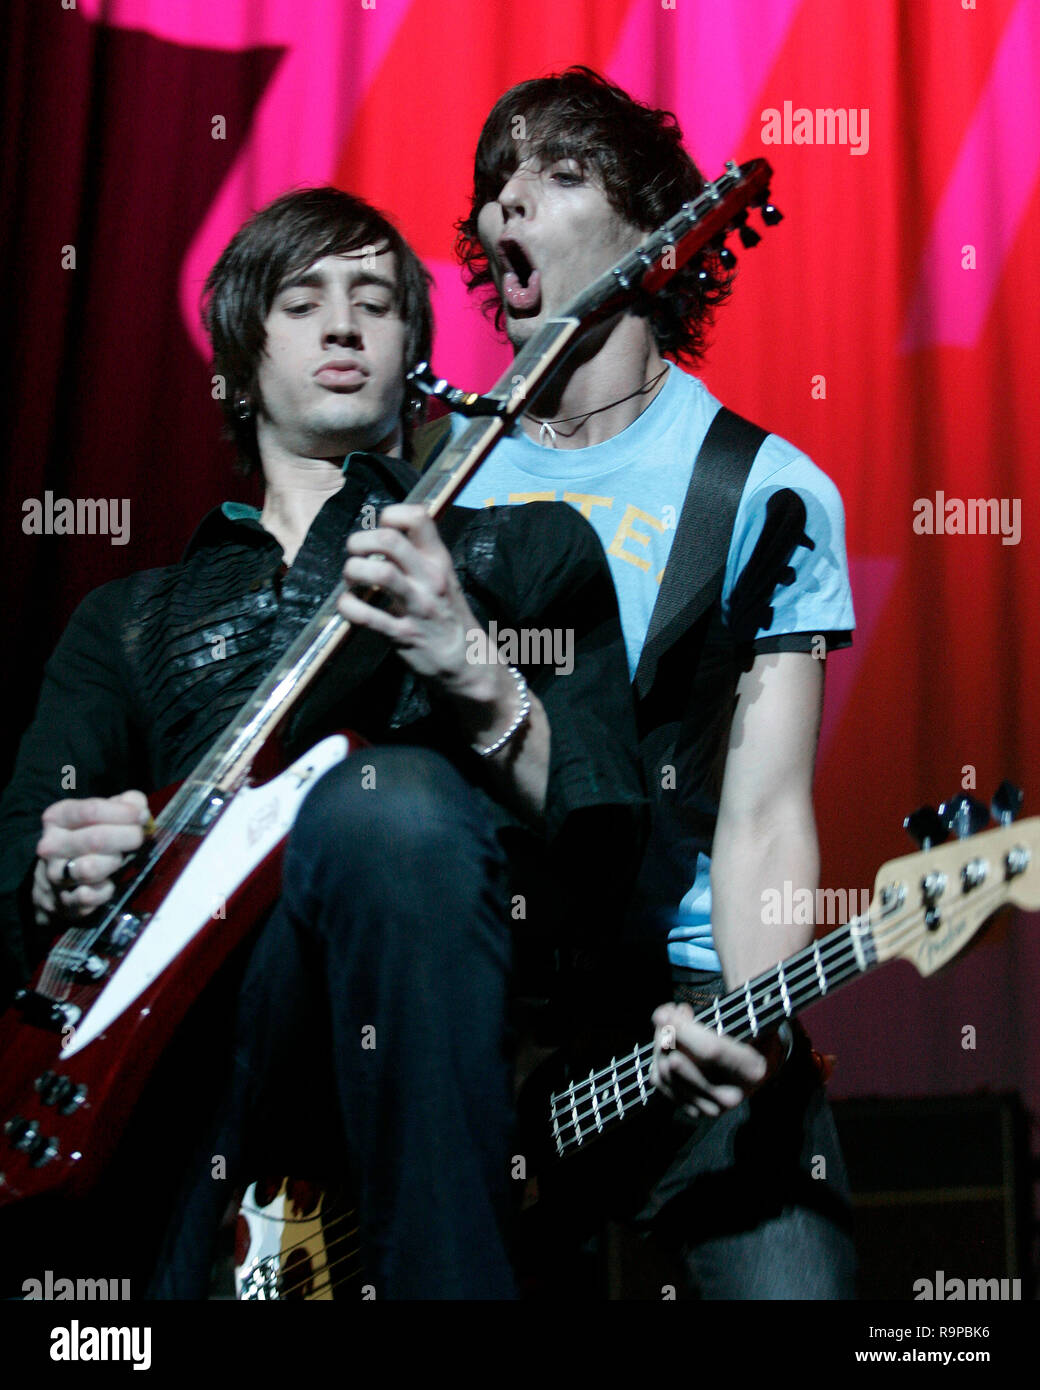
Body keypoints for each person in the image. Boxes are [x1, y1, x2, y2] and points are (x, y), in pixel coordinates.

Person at [0, 186, 646, 1299]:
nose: (344, 325)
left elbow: (606, 836)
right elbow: (21, 858)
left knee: (384, 795)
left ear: (414, 355)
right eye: (302, 303)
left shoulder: (520, 553)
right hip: (185, 1065)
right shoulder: (127, 619)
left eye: (375, 302)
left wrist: (473, 670)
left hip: (429, 1036)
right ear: (240, 363)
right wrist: (61, 870)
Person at [420, 66, 858, 1298]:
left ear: (657, 237)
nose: (510, 202)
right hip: (482, 1004)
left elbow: (764, 811)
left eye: (558, 176)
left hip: (685, 991)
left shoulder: (765, 491)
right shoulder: (429, 489)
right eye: (495, 184)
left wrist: (756, 1017)